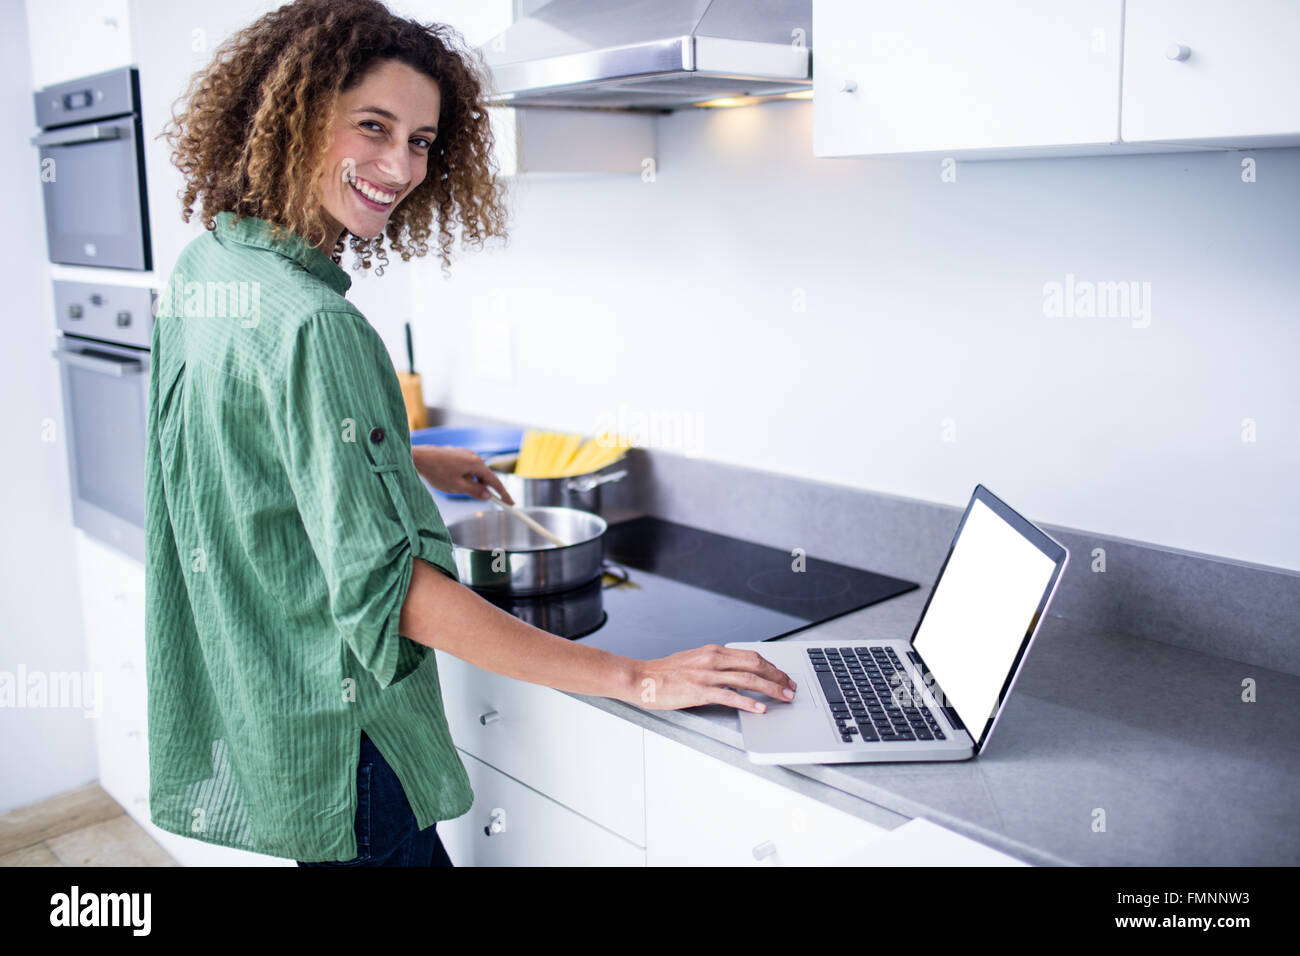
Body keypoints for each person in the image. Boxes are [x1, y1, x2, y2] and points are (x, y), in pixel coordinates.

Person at [144, 0, 796, 867]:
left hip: (272, 703)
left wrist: (400, 459)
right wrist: (637, 675)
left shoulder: (215, 263)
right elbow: (394, 590)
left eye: (420, 140)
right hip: (351, 739)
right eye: (372, 127)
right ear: (294, 114)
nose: (399, 164)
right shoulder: (315, 326)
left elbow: (233, 450)